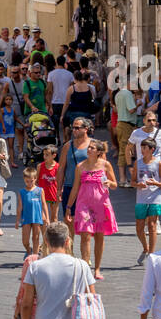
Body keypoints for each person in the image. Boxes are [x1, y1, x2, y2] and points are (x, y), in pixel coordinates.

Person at [67, 139, 119, 280]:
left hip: (101, 204)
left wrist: (110, 182)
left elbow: (115, 185)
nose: (89, 149)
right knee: (85, 235)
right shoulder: (80, 166)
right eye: (89, 147)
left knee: (99, 236)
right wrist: (68, 206)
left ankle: (97, 269)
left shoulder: (105, 165)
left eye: (92, 148)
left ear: (99, 152)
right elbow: (75, 188)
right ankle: (85, 267)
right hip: (84, 204)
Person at [132, 139, 161, 264]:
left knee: (152, 225)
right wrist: (138, 185)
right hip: (141, 198)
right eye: (141, 148)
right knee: (139, 227)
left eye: (145, 148)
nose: (142, 151)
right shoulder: (137, 163)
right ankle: (145, 247)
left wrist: (155, 183)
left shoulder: (158, 163)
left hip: (155, 197)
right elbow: (132, 182)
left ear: (152, 149)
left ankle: (152, 253)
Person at [58, 117, 92, 231]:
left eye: (77, 128)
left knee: (86, 223)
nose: (74, 130)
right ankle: (70, 248)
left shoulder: (94, 145)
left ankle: (84, 247)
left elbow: (102, 168)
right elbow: (61, 168)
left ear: (86, 129)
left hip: (87, 188)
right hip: (69, 186)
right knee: (68, 220)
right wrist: (59, 188)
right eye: (73, 128)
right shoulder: (68, 146)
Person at [128, 110, 161, 177]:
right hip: (141, 168)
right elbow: (127, 149)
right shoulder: (136, 133)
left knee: (158, 187)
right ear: (144, 121)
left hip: (157, 168)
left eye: (154, 120)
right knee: (142, 186)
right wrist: (130, 166)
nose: (152, 122)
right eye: (149, 120)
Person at [16, 166, 47, 256]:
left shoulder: (40, 190)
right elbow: (20, 207)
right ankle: (29, 250)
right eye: (27, 181)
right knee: (25, 241)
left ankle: (35, 256)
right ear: (24, 180)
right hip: (26, 217)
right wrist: (17, 220)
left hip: (37, 217)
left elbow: (44, 204)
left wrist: (47, 218)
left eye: (31, 181)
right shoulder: (22, 192)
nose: (29, 183)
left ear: (35, 179)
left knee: (36, 238)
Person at [46, 56, 76, 136]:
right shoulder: (70, 74)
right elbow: (72, 88)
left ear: (56, 62)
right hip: (66, 102)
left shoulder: (51, 74)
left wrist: (49, 105)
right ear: (64, 63)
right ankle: (66, 139)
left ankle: (57, 137)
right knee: (66, 123)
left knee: (55, 122)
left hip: (55, 102)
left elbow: (49, 90)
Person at [113, 83, 138, 163]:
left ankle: (125, 172)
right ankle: (123, 174)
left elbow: (117, 110)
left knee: (124, 150)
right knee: (124, 151)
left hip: (121, 123)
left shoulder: (118, 94)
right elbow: (131, 110)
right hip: (126, 124)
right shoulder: (127, 93)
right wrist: (137, 105)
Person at [36, 144, 60, 223]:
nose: (44, 157)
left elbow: (61, 181)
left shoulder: (58, 167)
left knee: (54, 217)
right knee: (43, 218)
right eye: (44, 154)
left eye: (47, 155)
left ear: (54, 155)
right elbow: (36, 180)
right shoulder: (40, 166)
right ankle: (45, 234)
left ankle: (54, 234)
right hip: (43, 195)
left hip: (54, 194)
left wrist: (60, 193)